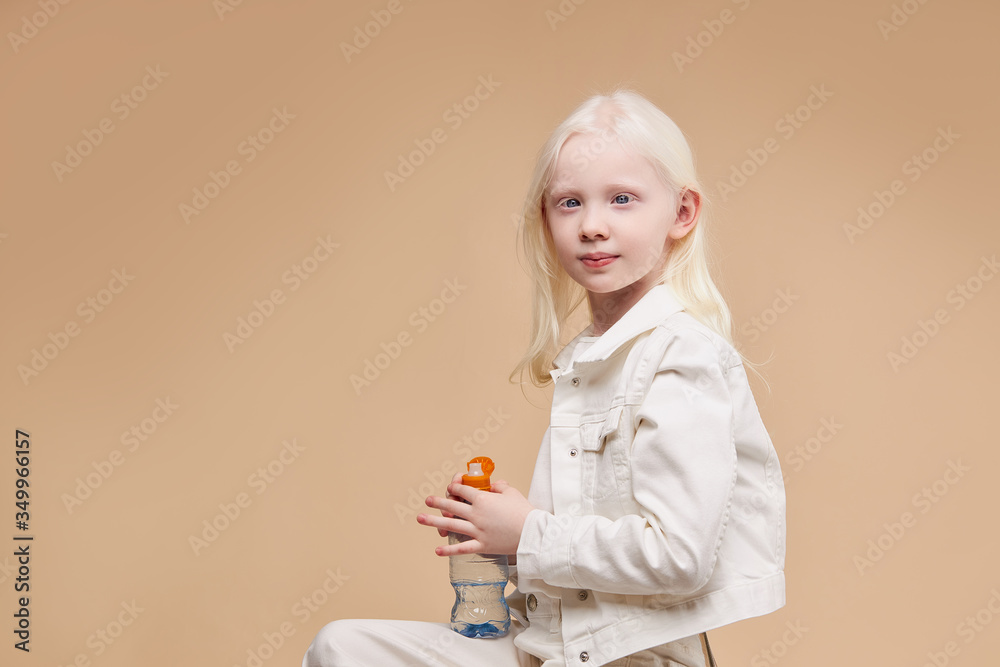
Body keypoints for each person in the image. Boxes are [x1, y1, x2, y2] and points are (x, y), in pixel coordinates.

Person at [301, 88, 786, 667]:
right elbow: (577, 563)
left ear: (681, 213)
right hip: (550, 647)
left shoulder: (682, 355)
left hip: (632, 657)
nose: (592, 226)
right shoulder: (587, 360)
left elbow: (678, 557)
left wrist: (528, 531)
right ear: (545, 218)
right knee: (342, 647)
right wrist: (496, 537)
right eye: (569, 203)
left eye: (623, 199)